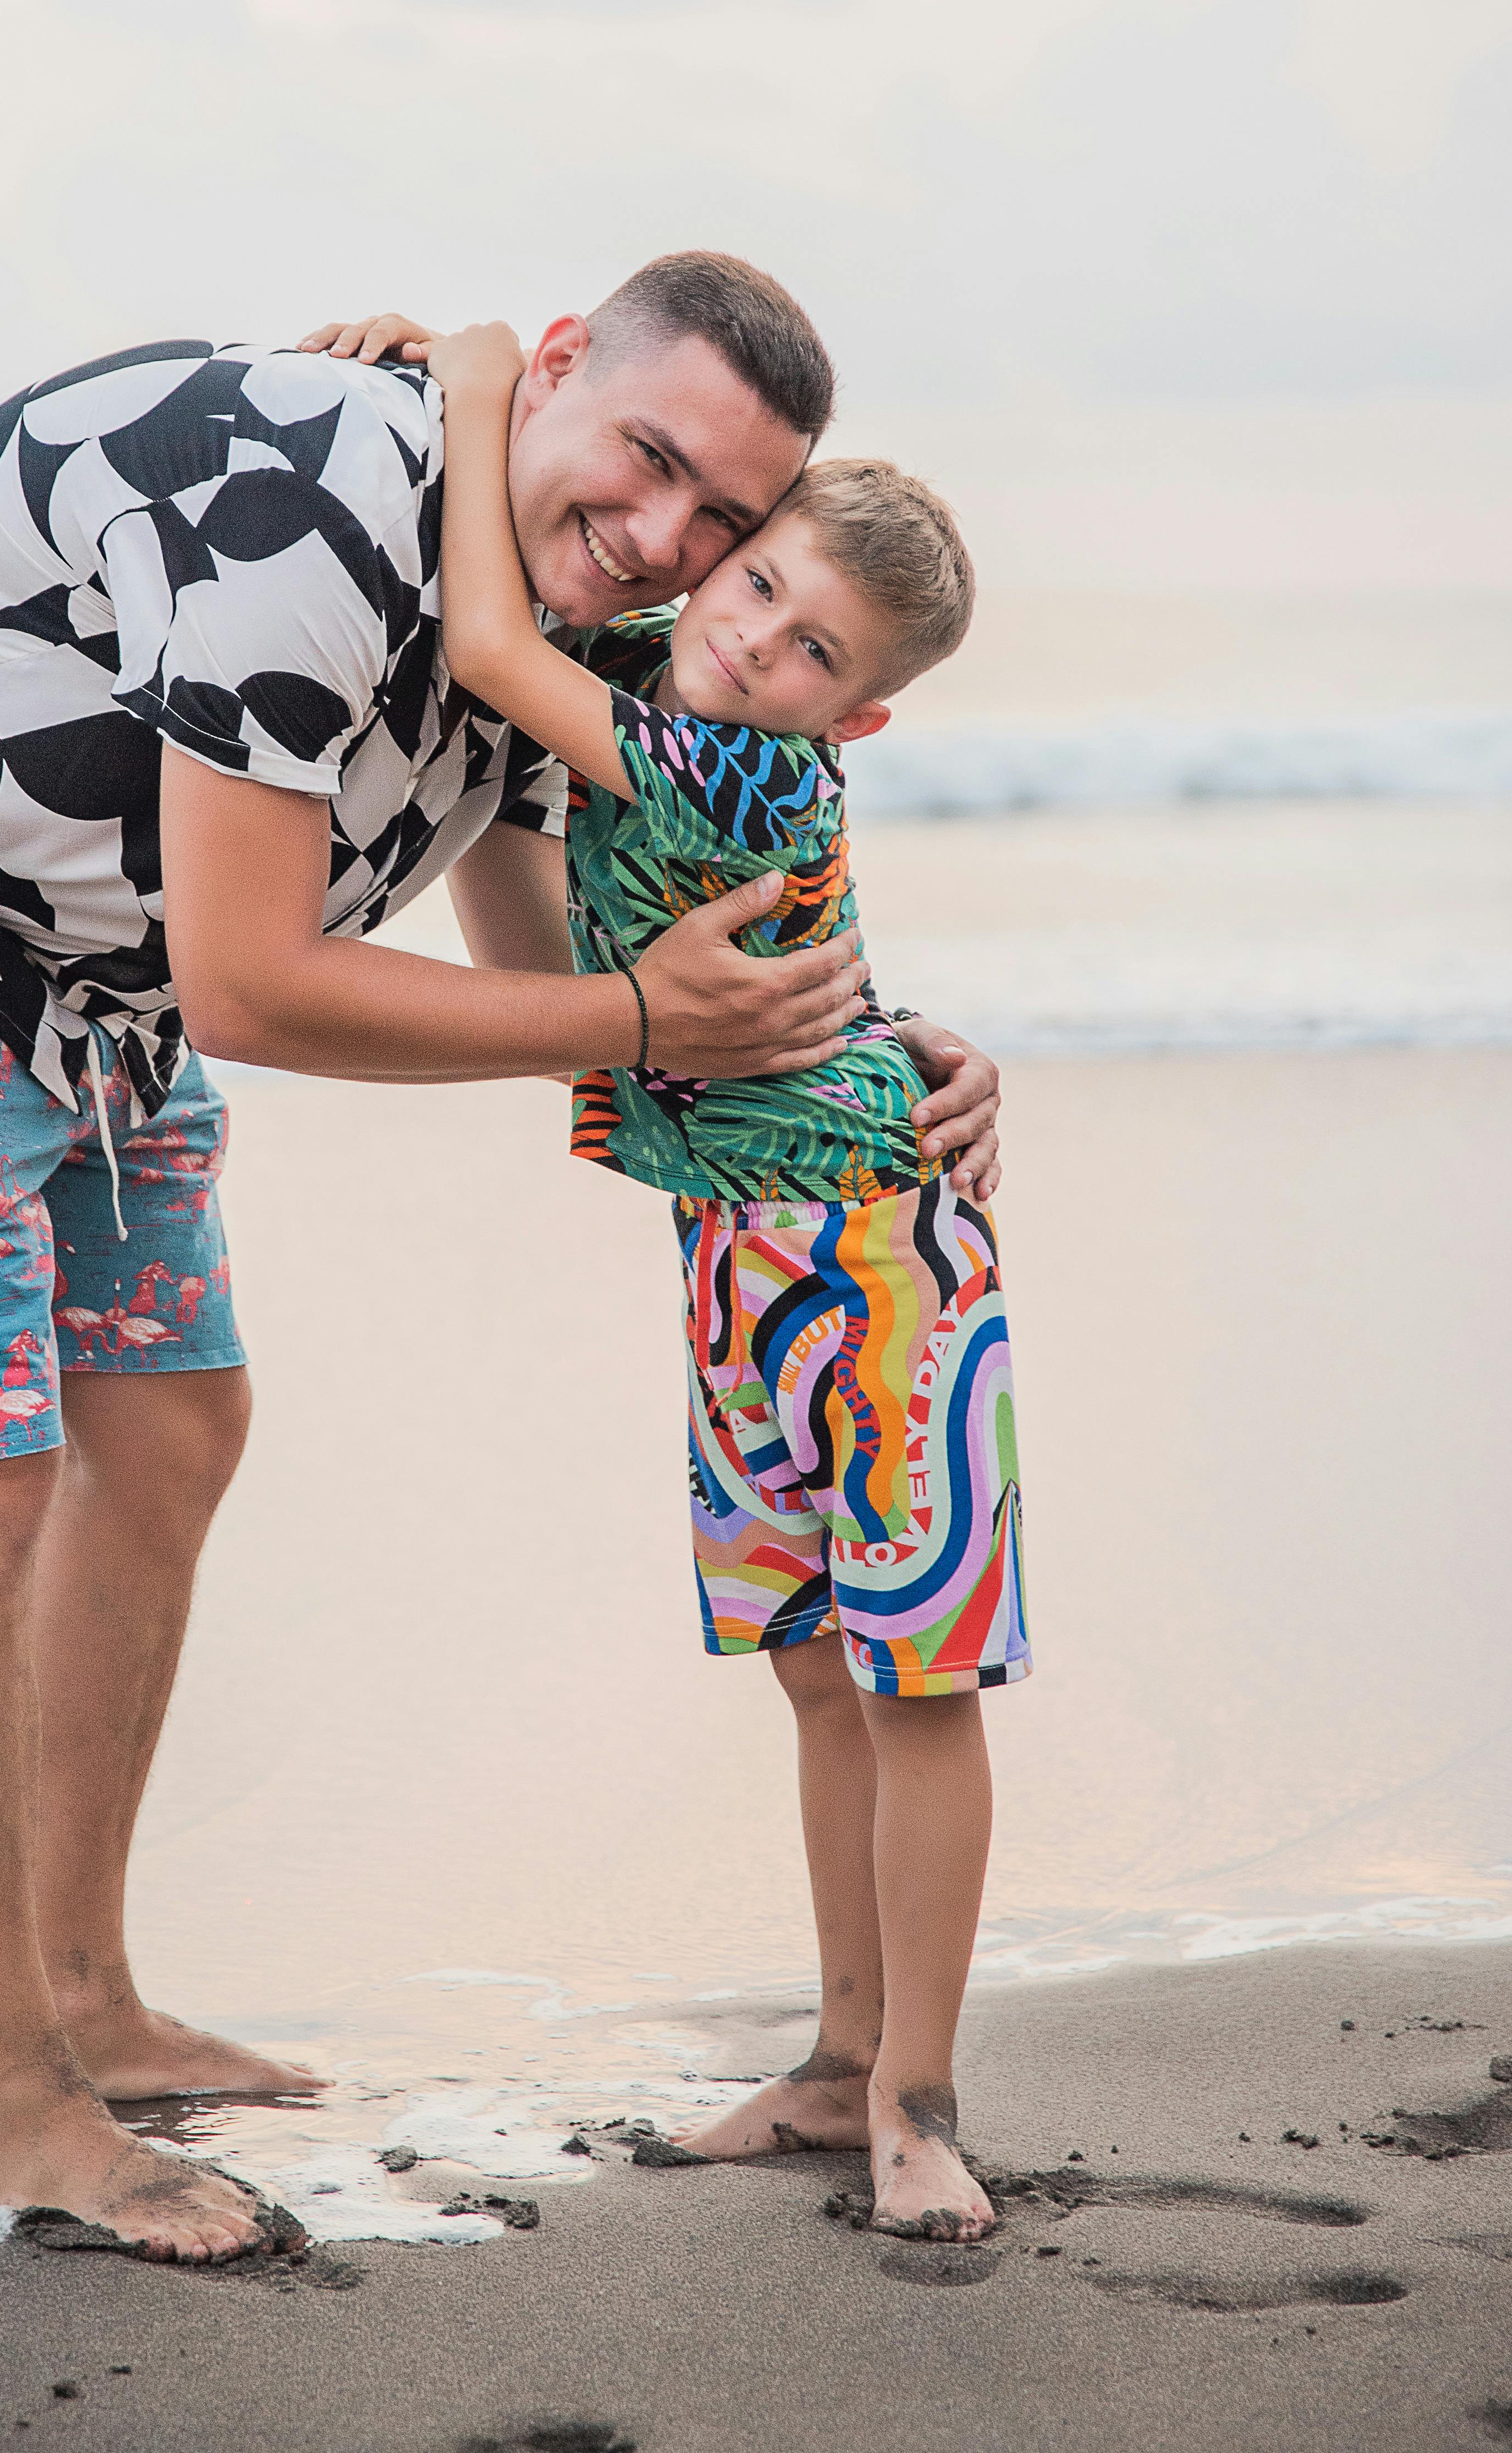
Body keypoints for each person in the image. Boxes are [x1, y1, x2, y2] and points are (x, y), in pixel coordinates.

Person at [0, 256, 1005, 2264]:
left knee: (171, 1428)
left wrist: (863, 1057)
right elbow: (265, 982)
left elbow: (560, 971)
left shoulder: (560, 618)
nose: (669, 543)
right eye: (647, 462)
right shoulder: (315, 517)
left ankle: (91, 1999)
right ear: (557, 372)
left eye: (725, 524)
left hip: (90, 968)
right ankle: (26, 2109)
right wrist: (645, 1027)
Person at [421, 315, 1025, 2243]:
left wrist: (464, 376)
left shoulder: (737, 769)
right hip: (735, 1252)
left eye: (814, 647)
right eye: (755, 581)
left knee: (914, 1673)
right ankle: (840, 2058)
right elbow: (551, 580)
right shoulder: (657, 669)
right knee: (804, 1663)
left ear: (856, 720)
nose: (756, 636)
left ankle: (920, 2100)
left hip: (876, 1249)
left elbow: (487, 642)